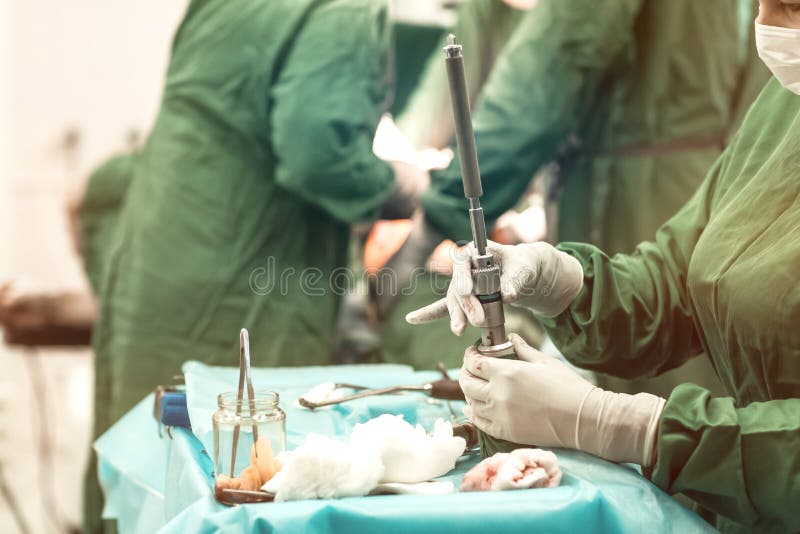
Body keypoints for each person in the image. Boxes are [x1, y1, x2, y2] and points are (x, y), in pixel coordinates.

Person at [407, 0, 800, 529]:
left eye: (791, 6)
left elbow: (540, 82)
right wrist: (560, 283)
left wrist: (632, 428)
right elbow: (680, 277)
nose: (768, 22)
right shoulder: (784, 104)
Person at [75, 0, 405, 531]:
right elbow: (316, 154)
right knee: (243, 479)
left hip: (157, 264)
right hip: (239, 287)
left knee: (153, 485)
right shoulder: (344, 10)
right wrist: (400, 186)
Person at [389, 0, 770, 398]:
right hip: (708, 185)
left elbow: (537, 89)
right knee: (698, 390)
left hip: (630, 205)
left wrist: (435, 220)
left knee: (650, 394)